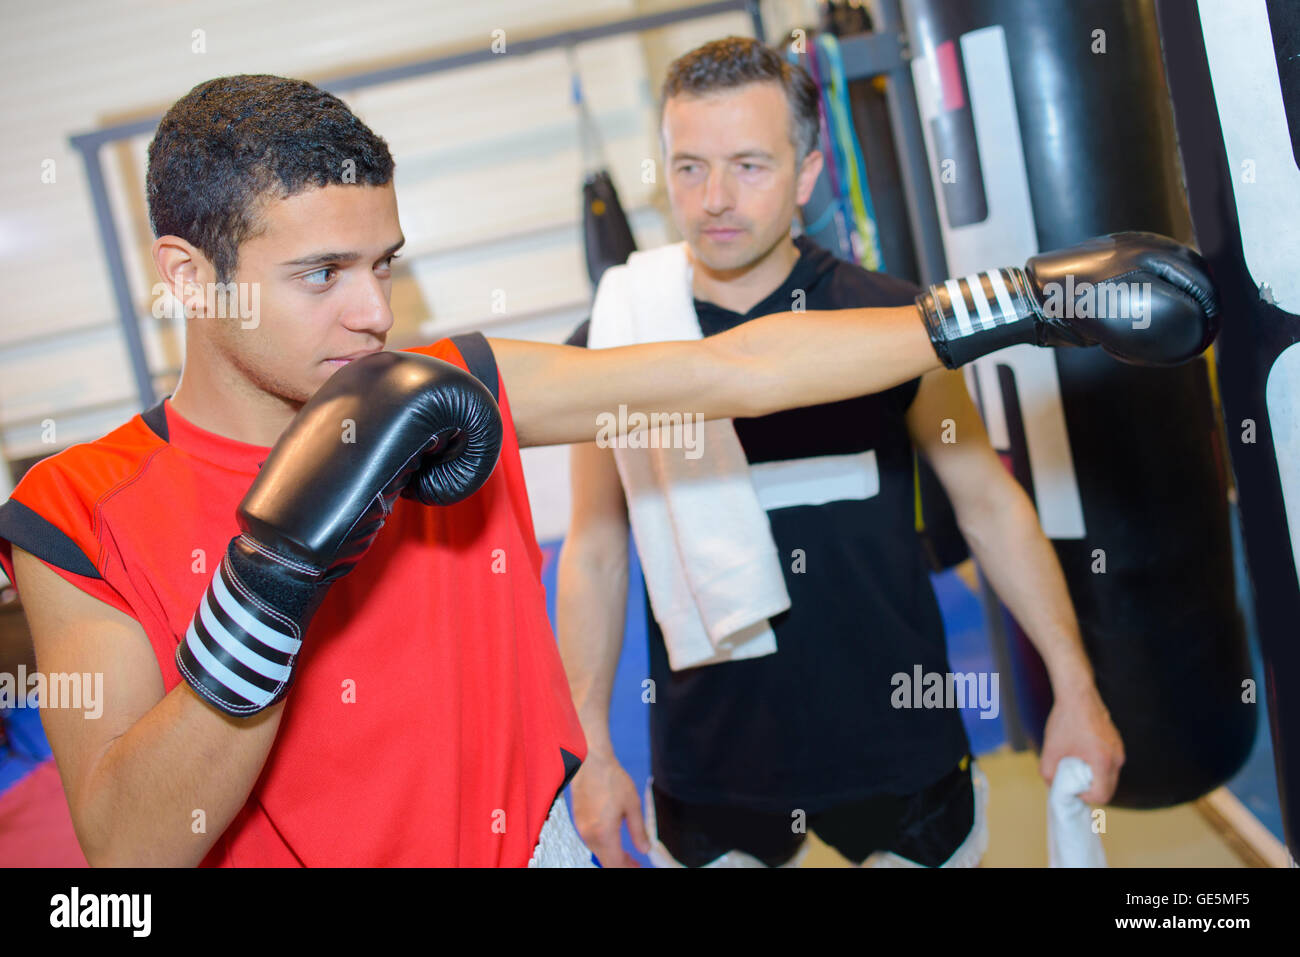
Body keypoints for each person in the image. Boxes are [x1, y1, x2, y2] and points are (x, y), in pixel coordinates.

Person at [0, 72, 1213, 866]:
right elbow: (132, 850)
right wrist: (265, 594)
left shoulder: (447, 385)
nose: (375, 313)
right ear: (187, 275)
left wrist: (1010, 308)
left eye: (386, 261)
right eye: (324, 274)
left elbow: (719, 375)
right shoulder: (71, 513)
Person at [559, 38, 1131, 868]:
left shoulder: (895, 322)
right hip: (715, 757)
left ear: (806, 173)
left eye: (749, 165)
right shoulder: (616, 337)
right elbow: (597, 550)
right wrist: (592, 751)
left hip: (896, 741)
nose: (714, 198)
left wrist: (1077, 690)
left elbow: (989, 506)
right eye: (688, 167)